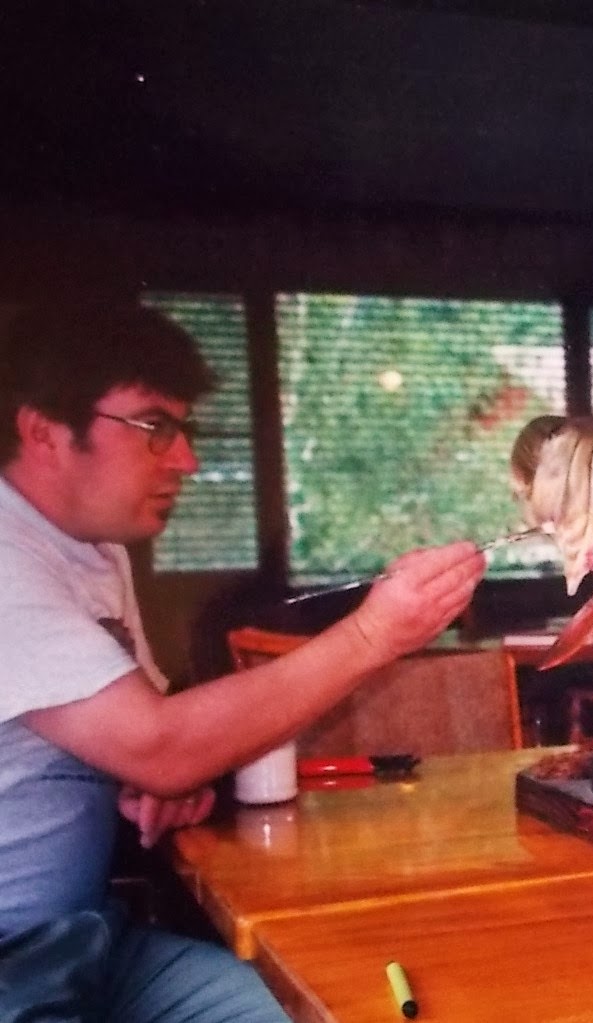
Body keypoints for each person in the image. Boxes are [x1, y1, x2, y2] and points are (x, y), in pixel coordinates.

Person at [0, 302, 486, 1020]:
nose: (187, 459)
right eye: (154, 427)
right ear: (43, 431)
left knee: (310, 1007)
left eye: (184, 429)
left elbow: (158, 742)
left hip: (89, 938)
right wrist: (373, 635)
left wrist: (159, 775)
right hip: (15, 963)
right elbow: (161, 743)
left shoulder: (94, 550)